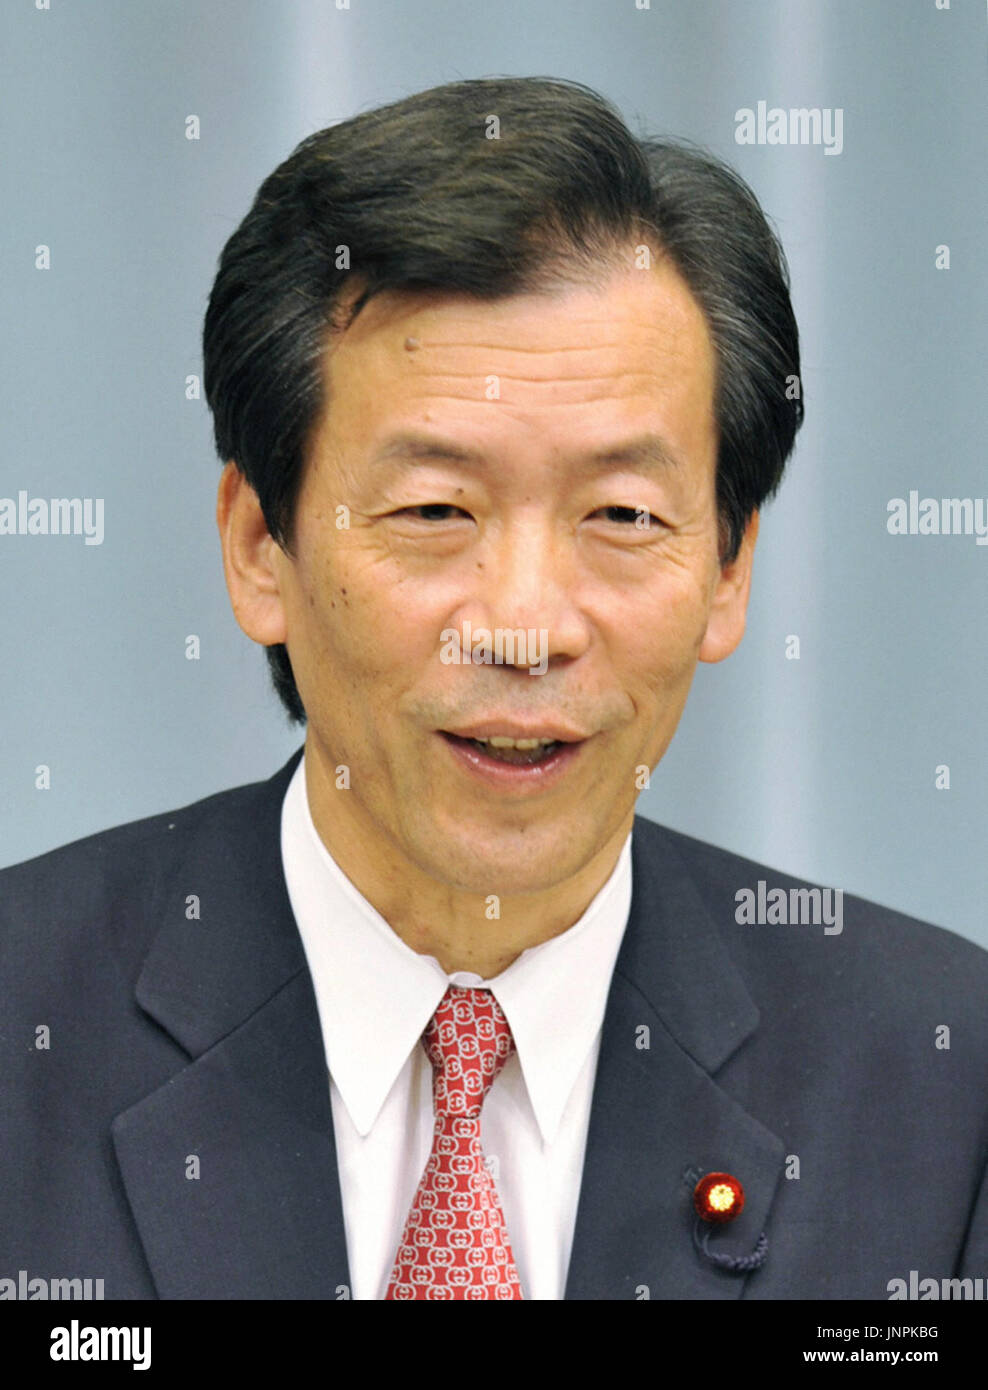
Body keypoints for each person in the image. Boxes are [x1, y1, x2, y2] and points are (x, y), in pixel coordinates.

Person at [2, 76, 985, 1302]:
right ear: (260, 546)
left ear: (728, 568)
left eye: (623, 514)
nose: (525, 627)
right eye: (433, 510)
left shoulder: (940, 1083)